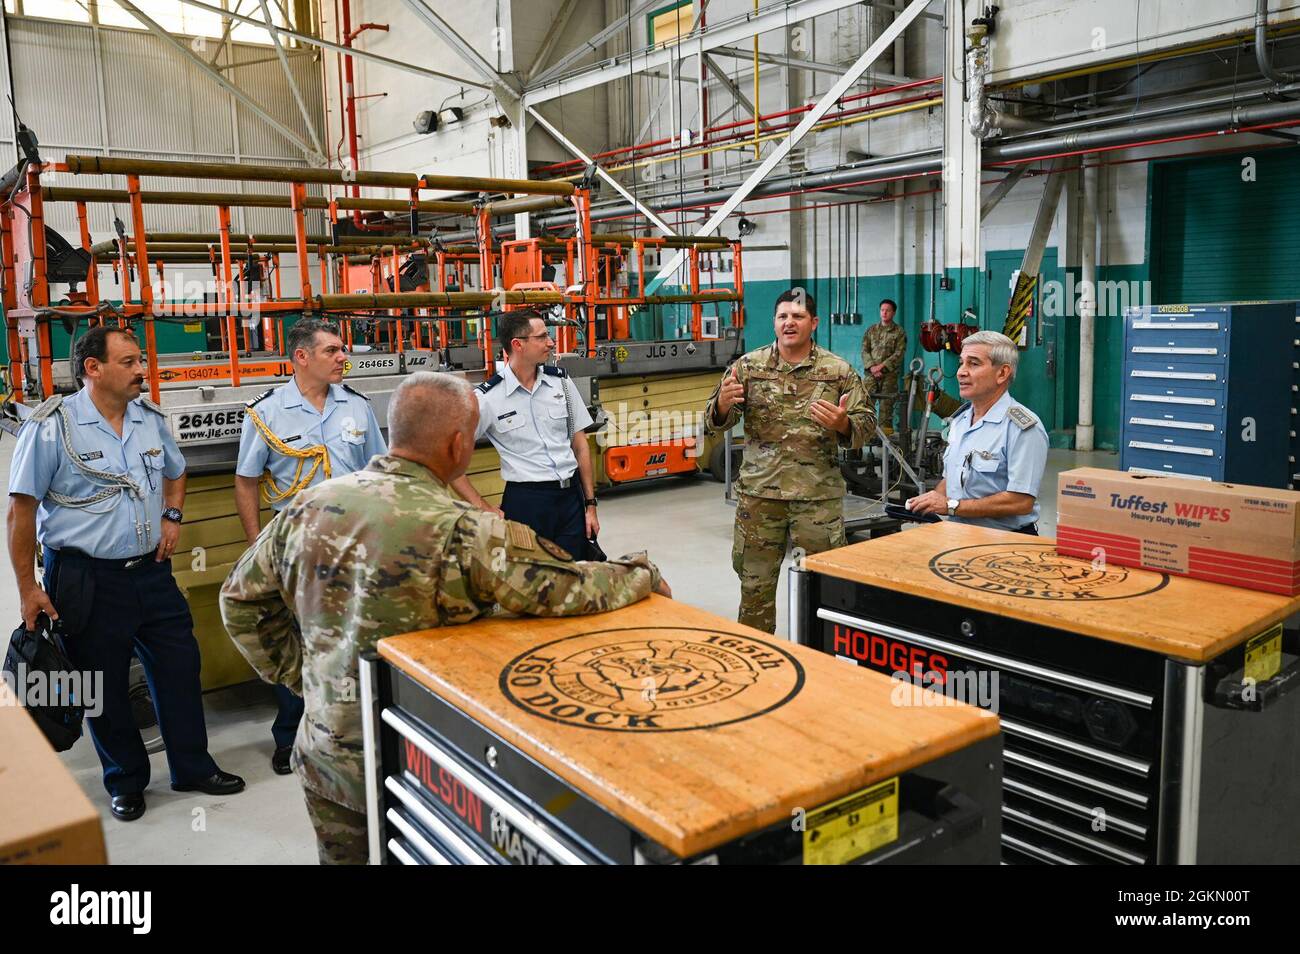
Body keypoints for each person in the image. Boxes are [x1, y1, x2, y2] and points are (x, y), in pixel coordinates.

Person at [220, 372, 669, 864]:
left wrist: (303, 674)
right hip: (422, 765)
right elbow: (568, 588)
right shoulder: (461, 531)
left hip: (327, 752)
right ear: (458, 446)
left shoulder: (308, 505)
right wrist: (640, 571)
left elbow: (240, 601)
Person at [7, 326, 244, 822]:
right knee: (102, 684)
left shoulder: (149, 419)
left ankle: (192, 766)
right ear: (93, 368)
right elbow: (22, 511)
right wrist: (29, 588)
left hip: (152, 572)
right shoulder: (54, 426)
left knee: (180, 669)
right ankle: (126, 781)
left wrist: (172, 518)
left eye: (142, 360)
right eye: (131, 361)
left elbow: (175, 472)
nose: (143, 370)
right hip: (85, 577)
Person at [234, 317, 386, 775]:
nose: (344, 358)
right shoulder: (267, 412)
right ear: (301, 357)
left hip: (353, 543)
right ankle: (292, 734)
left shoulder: (357, 408)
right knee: (297, 638)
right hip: (296, 545)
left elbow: (378, 472)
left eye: (343, 350)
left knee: (358, 633)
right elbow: (245, 482)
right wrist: (257, 545)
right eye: (333, 351)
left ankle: (359, 725)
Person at [704, 288, 875, 634]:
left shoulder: (838, 371)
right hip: (760, 498)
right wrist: (721, 404)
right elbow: (713, 421)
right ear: (774, 322)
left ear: (814, 322)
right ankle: (758, 662)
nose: (789, 323)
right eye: (783, 316)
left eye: (797, 317)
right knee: (754, 590)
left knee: (825, 588)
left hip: (816, 501)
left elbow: (866, 426)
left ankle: (819, 663)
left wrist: (843, 424)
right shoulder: (748, 367)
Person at [450, 310, 597, 560]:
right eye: (541, 337)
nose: (550, 342)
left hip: (571, 499)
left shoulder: (561, 383)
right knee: (532, 583)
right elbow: (449, 461)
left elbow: (580, 445)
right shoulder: (487, 399)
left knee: (576, 579)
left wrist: (590, 505)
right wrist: (483, 507)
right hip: (527, 504)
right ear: (517, 345)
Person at [905, 330, 1049, 533]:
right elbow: (951, 479)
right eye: (961, 363)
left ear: (1002, 373)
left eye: (973, 364)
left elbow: (1020, 501)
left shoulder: (1022, 428)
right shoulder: (960, 421)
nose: (961, 372)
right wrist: (929, 502)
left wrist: (951, 506)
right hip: (957, 533)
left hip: (1004, 539)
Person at [861, 298, 907, 433]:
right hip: (871, 374)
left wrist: (881, 367)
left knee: (886, 408)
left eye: (887, 310)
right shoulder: (871, 330)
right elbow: (864, 350)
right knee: (865, 402)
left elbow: (899, 354)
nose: (884, 313)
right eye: (882, 310)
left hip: (889, 376)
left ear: (893, 313)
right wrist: (872, 368)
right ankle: (865, 433)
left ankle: (885, 440)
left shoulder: (899, 332)